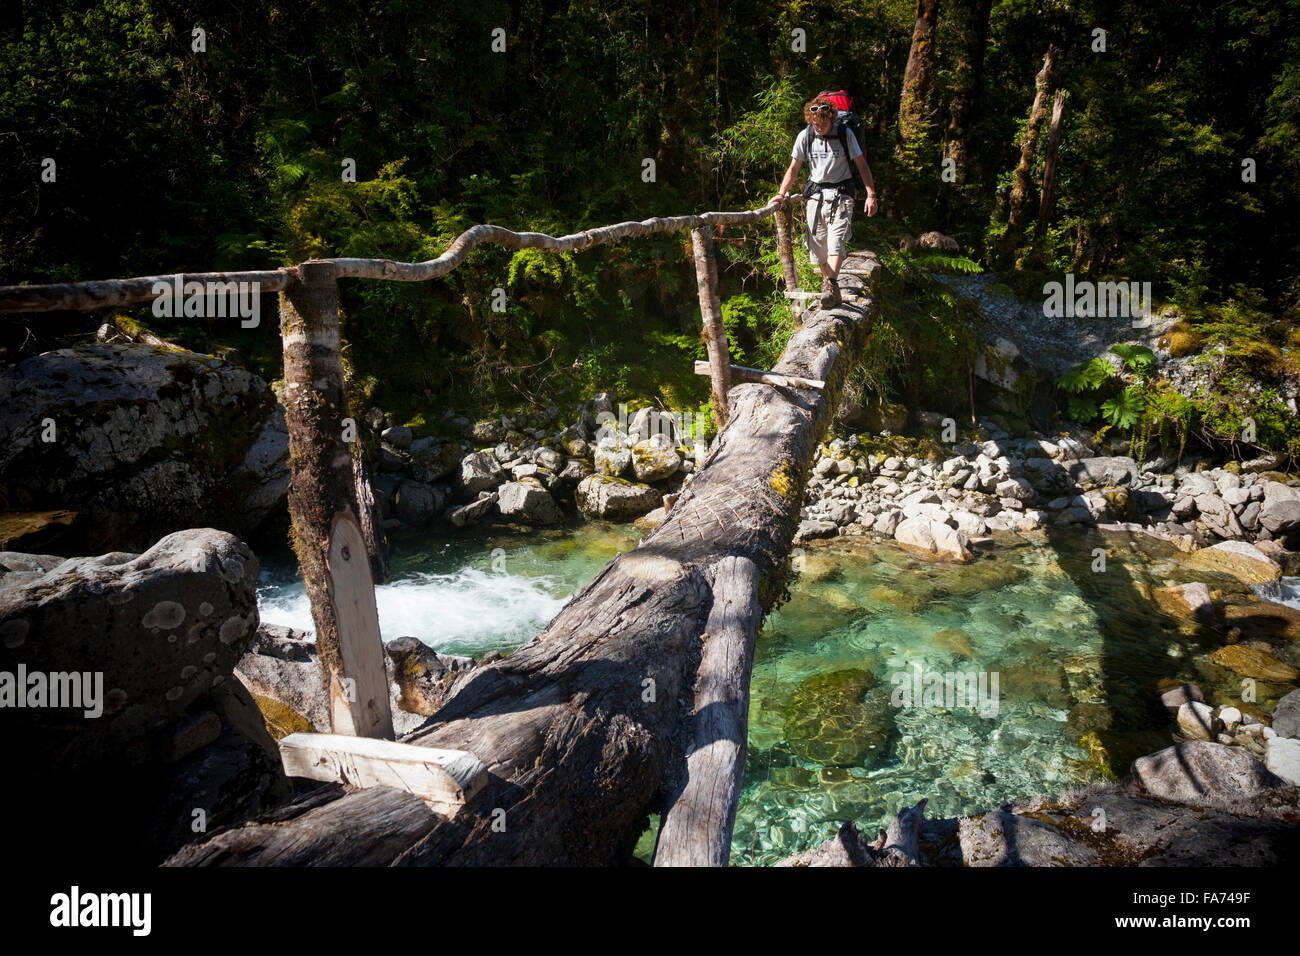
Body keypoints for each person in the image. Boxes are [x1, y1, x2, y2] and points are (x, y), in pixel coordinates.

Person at [771, 95, 878, 308]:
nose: (818, 127)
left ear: (831, 119)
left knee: (836, 242)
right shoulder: (806, 136)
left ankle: (829, 284)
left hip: (842, 195)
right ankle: (831, 287)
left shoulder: (845, 134)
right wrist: (782, 193)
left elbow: (862, 166)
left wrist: (871, 195)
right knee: (817, 247)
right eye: (814, 123)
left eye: (822, 123)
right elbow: (794, 168)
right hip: (816, 196)